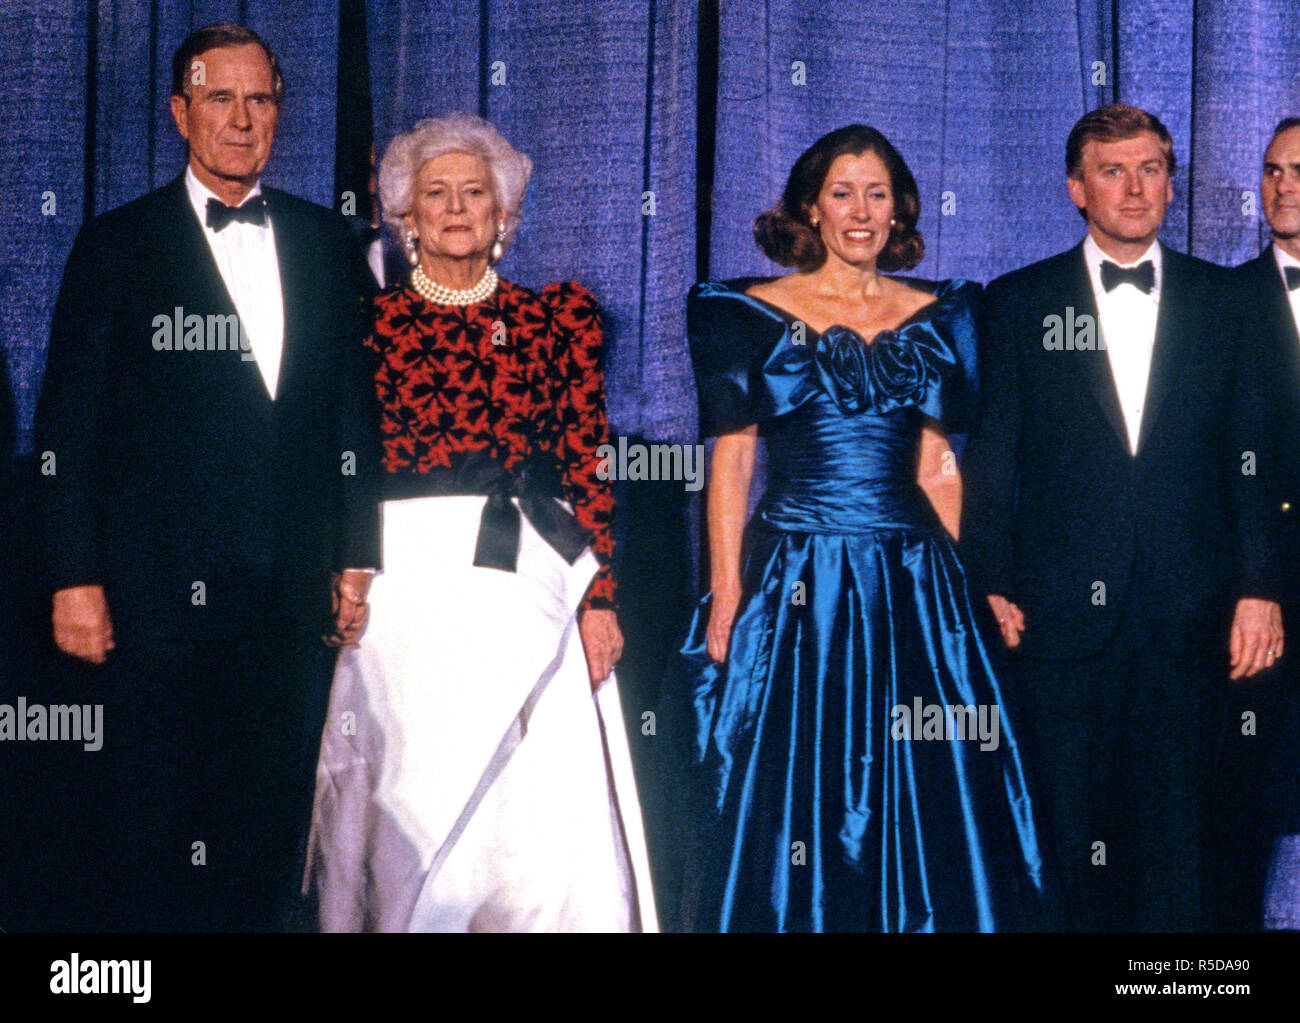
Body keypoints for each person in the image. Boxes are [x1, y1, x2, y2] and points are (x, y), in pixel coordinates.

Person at [33, 24, 381, 931]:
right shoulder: (116, 245)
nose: (242, 119)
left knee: (273, 822)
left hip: (292, 593)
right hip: (155, 598)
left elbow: (353, 410)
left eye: (260, 99)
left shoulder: (323, 239)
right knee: (157, 818)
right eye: (220, 99)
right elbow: (68, 427)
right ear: (180, 113)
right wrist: (74, 577)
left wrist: (356, 553)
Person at [675, 125, 1048, 932]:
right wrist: (727, 590)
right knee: (790, 781)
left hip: (911, 579)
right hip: (794, 574)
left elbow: (936, 467)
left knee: (926, 779)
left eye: (877, 194)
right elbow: (733, 463)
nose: (860, 211)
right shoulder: (742, 310)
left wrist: (967, 586)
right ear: (810, 205)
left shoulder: (944, 312)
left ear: (900, 209)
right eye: (842, 192)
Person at [306, 112, 656, 932]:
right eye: (436, 193)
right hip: (400, 589)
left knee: (532, 805)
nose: (457, 208)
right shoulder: (367, 324)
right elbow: (337, 463)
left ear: (505, 217)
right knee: (409, 793)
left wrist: (600, 595)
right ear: (404, 216)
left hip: (527, 578)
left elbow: (587, 458)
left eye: (475, 194)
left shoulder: (557, 318)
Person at [961, 104, 1281, 932]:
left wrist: (1259, 585)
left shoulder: (1226, 300)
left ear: (1171, 184)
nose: (1134, 188)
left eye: (1150, 170)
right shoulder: (1017, 301)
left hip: (1199, 614)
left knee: (1191, 841)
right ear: (1076, 188)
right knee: (1071, 833)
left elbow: (1253, 456)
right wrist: (988, 580)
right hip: (1058, 617)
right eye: (1113, 170)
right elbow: (995, 459)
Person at [1233, 116, 1300, 931]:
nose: (1285, 184)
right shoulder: (1220, 302)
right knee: (1249, 800)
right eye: (1273, 169)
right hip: (1260, 593)